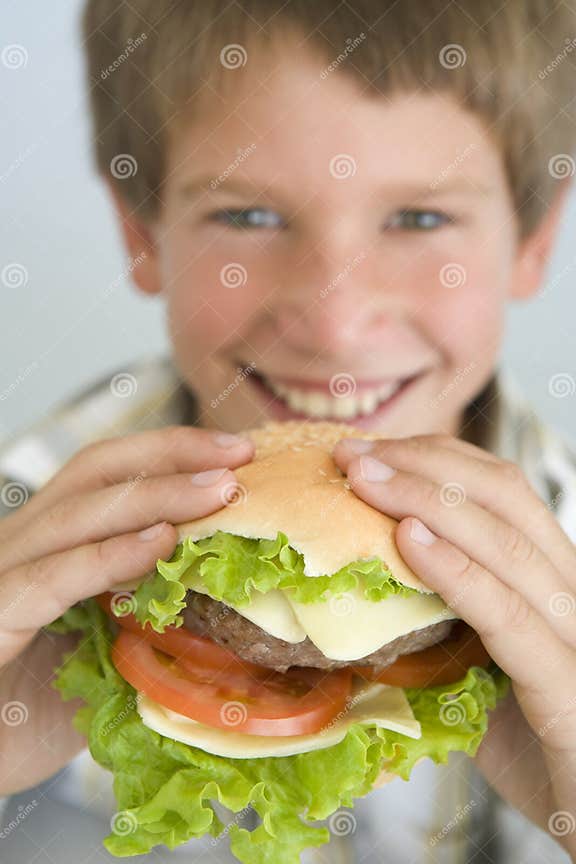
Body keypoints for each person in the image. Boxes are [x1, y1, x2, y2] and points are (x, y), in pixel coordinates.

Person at [1, 1, 576, 861]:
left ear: (532, 238)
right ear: (142, 232)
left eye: (419, 220)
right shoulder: (22, 517)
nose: (336, 323)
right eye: (249, 218)